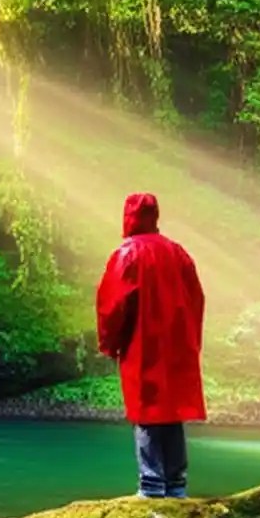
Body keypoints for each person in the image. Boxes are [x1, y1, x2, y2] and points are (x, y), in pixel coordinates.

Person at [95, 192, 206, 498]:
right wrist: (191, 339)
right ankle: (177, 484)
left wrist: (109, 343)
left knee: (146, 411)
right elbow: (196, 299)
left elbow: (113, 305)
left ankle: (152, 483)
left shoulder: (127, 254)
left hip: (143, 345)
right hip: (177, 346)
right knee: (172, 413)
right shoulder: (178, 253)